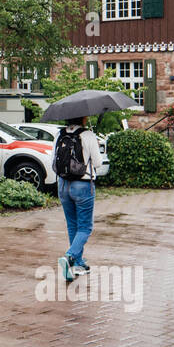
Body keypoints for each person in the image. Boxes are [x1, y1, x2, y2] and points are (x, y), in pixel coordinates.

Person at [55, 116, 105, 282]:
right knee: (85, 227)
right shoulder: (88, 135)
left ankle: (78, 262)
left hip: (62, 185)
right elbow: (97, 163)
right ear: (83, 117)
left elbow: (53, 162)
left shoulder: (59, 134)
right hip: (82, 185)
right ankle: (70, 257)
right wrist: (95, 148)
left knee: (72, 225)